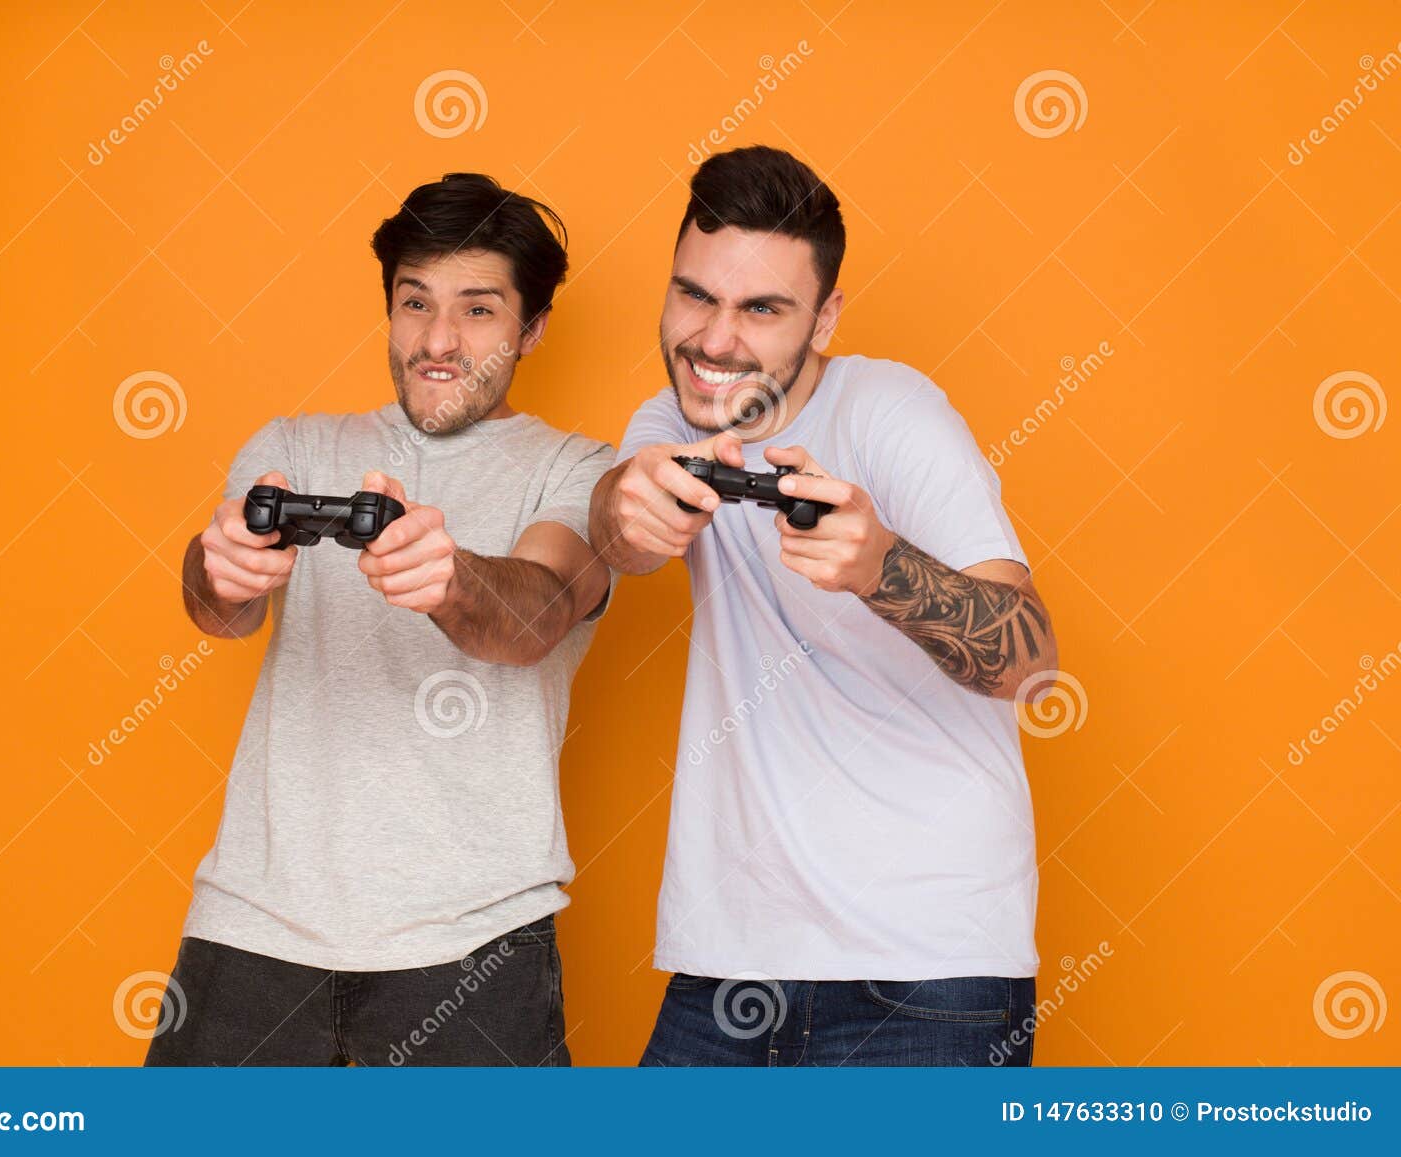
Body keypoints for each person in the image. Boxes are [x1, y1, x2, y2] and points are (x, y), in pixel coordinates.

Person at [588, 145, 1059, 1066]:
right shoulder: (671, 421)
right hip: (730, 960)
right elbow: (622, 531)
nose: (715, 340)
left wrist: (883, 567)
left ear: (825, 315)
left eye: (762, 309)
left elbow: (1031, 657)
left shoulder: (892, 411)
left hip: (925, 970)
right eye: (695, 295)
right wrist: (623, 509)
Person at [147, 172, 613, 1066]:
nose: (438, 340)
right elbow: (217, 608)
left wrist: (450, 580)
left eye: (479, 310)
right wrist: (221, 567)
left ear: (533, 329)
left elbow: (540, 612)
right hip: (254, 926)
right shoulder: (292, 446)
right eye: (416, 302)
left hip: (475, 943)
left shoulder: (580, 471)